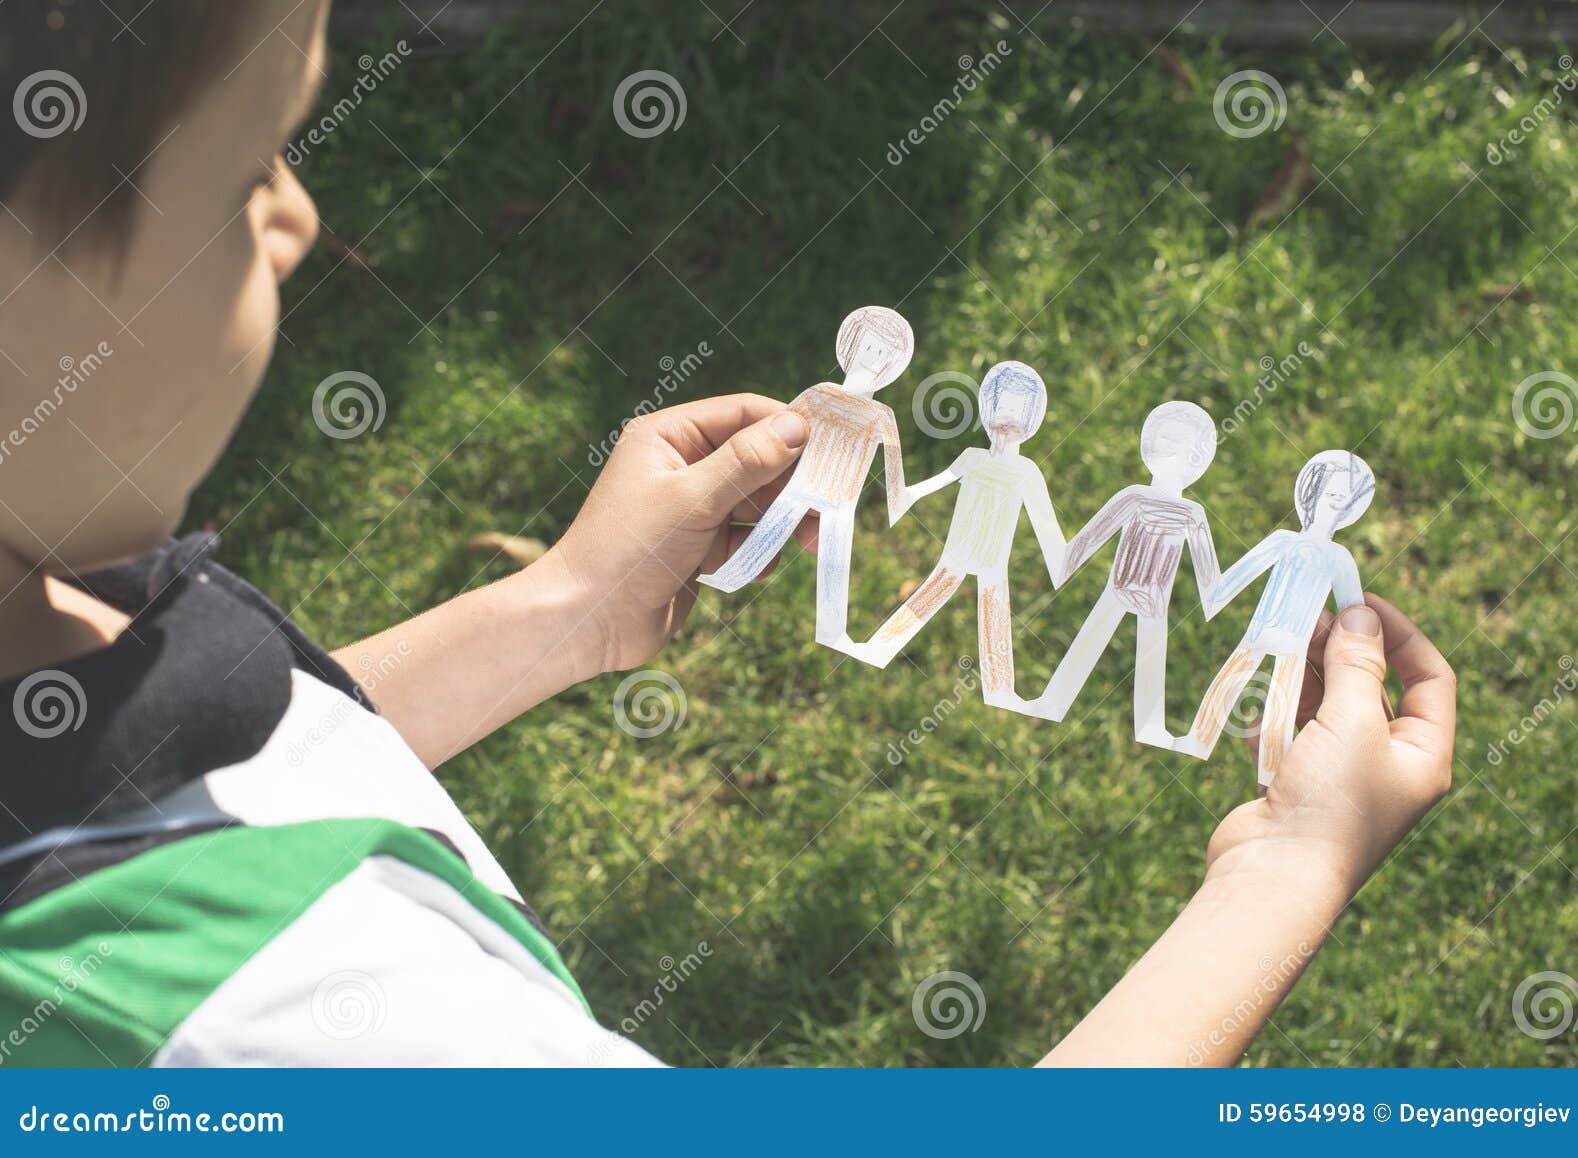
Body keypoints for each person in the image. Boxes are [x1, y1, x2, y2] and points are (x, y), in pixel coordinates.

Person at [0, 1, 1453, 1067]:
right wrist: (1288, 868)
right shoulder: (291, 1023)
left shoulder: (63, 603)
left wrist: (562, 609)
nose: (299, 217)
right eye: (251, 164)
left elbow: (216, 783)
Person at [834, 361, 1065, 709]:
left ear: (1031, 417)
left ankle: (1000, 689)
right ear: (989, 409)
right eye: (1003, 407)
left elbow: (1045, 522)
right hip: (959, 547)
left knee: (995, 616)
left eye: (1018, 410)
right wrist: (903, 493)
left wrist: (1063, 558)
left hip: (992, 556)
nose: (1008, 419)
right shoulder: (972, 457)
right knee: (927, 597)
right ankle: (880, 647)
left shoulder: (1026, 472)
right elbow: (936, 482)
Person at [698, 305, 913, 644]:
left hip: (843, 499)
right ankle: (728, 576)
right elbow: (781, 419)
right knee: (768, 533)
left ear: (891, 365)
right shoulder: (822, 393)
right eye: (868, 348)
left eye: (881, 354)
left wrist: (897, 495)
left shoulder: (880, 416)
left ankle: (833, 631)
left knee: (835, 562)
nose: (871, 359)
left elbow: (894, 457)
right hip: (801, 484)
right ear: (851, 348)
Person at [1017, 402, 1221, 744]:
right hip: (1118, 586)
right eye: (1165, 439)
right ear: (1150, 444)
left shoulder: (1191, 514)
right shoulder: (1135, 496)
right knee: (1088, 640)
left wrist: (1219, 596)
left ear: (1196, 457)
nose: (1170, 448)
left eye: (1180, 443)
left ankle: (1151, 728)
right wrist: (1065, 562)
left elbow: (1208, 569)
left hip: (1156, 598)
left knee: (1152, 657)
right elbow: (1094, 534)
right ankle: (1053, 702)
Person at [1173, 450, 1376, 786]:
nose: (1334, 503)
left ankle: (1272, 771)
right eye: (1329, 493)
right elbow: (1237, 577)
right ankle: (1199, 737)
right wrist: (1212, 586)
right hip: (1260, 630)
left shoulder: (1340, 558)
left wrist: (1353, 644)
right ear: (1312, 494)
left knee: (1282, 704)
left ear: (1351, 508)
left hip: (1297, 642)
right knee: (1227, 682)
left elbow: (1352, 610)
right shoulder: (1283, 541)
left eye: (1343, 498)